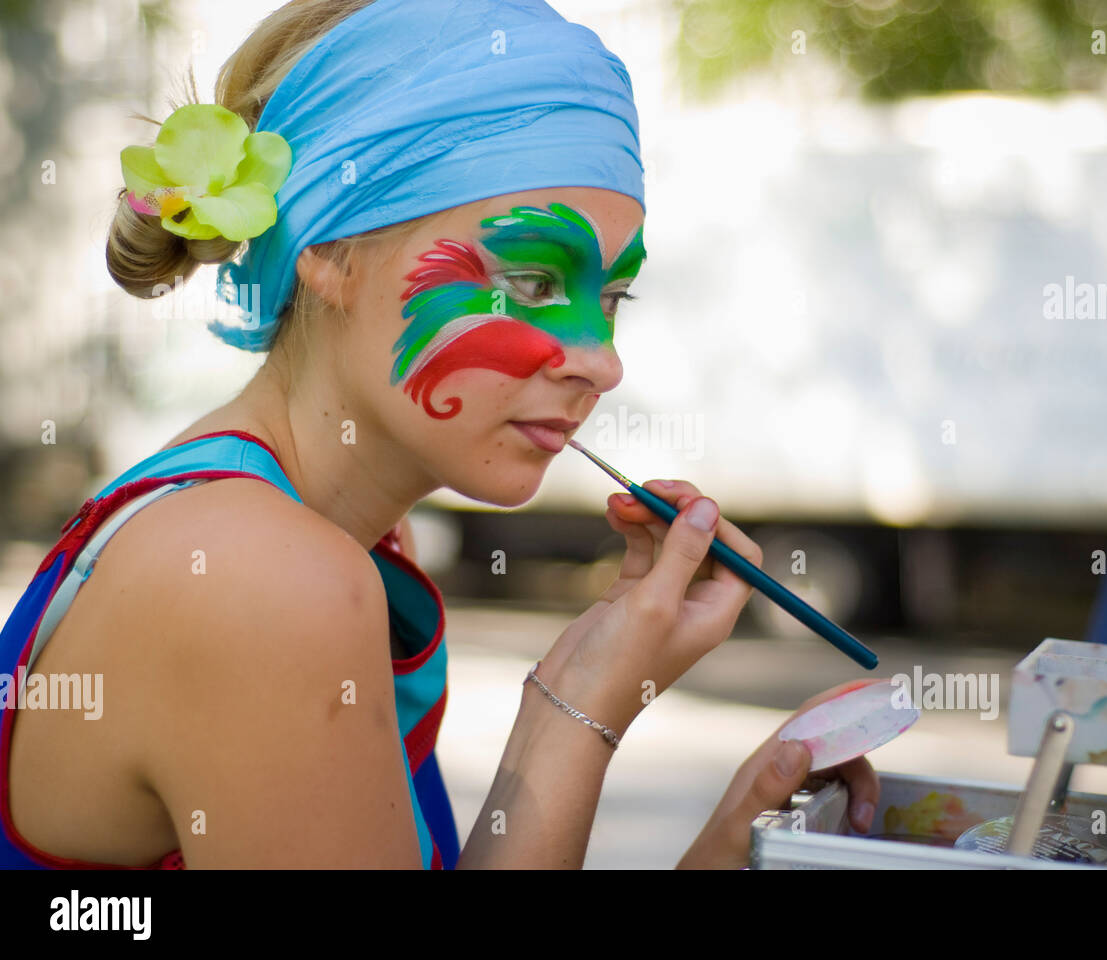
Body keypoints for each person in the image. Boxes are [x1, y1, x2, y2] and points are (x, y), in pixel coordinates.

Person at [0, 0, 878, 870]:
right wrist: (577, 711)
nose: (601, 363)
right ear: (331, 252)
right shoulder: (261, 577)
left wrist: (730, 849)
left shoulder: (351, 538)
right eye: (531, 282)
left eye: (610, 298)